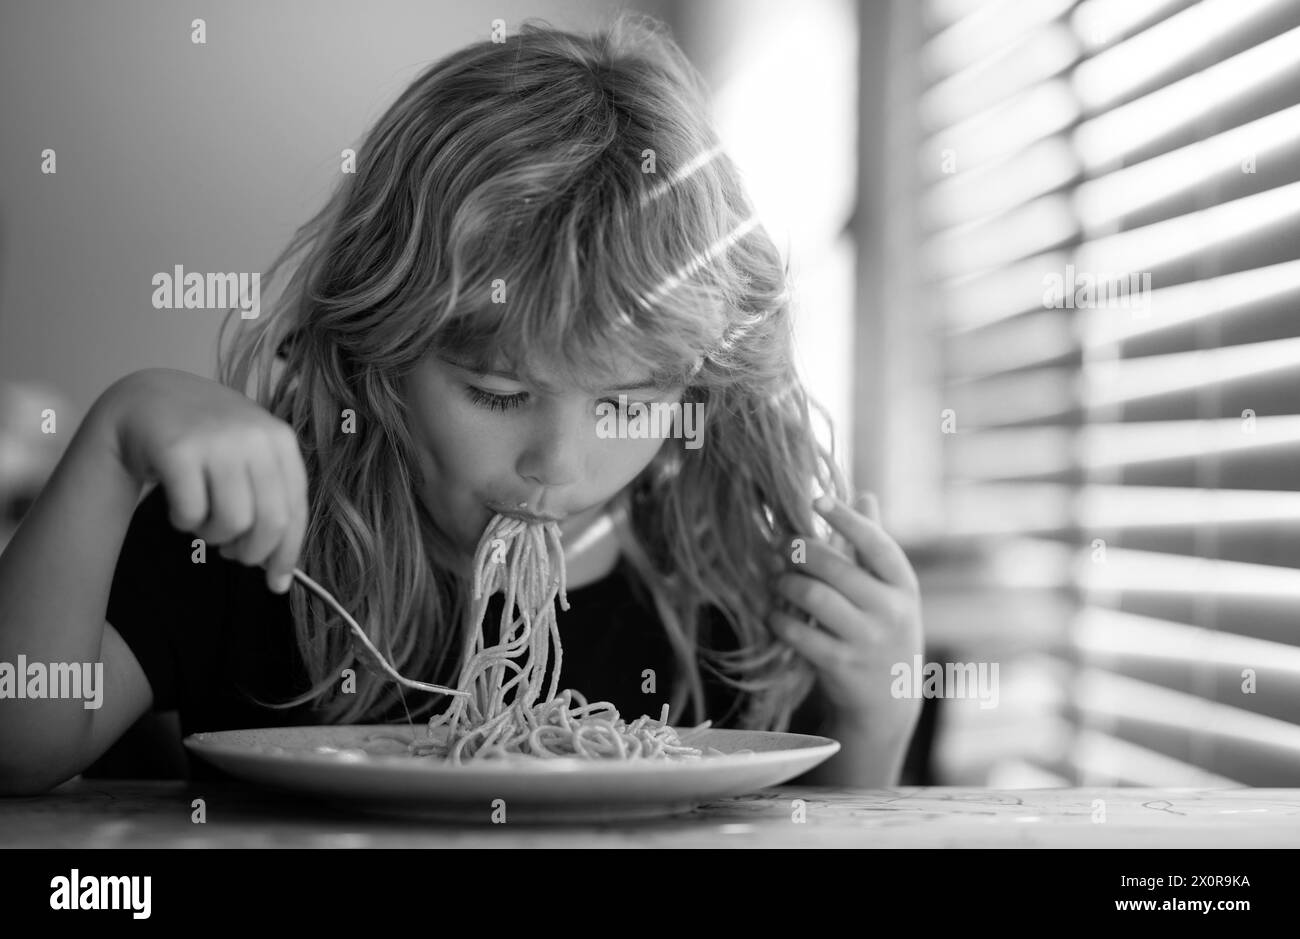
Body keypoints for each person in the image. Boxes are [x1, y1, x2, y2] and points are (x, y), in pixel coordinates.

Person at [0, 15, 923, 794]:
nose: (557, 465)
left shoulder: (718, 586)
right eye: (497, 391)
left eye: (629, 406)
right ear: (383, 353)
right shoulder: (254, 542)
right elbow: (21, 747)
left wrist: (877, 718)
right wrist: (117, 441)